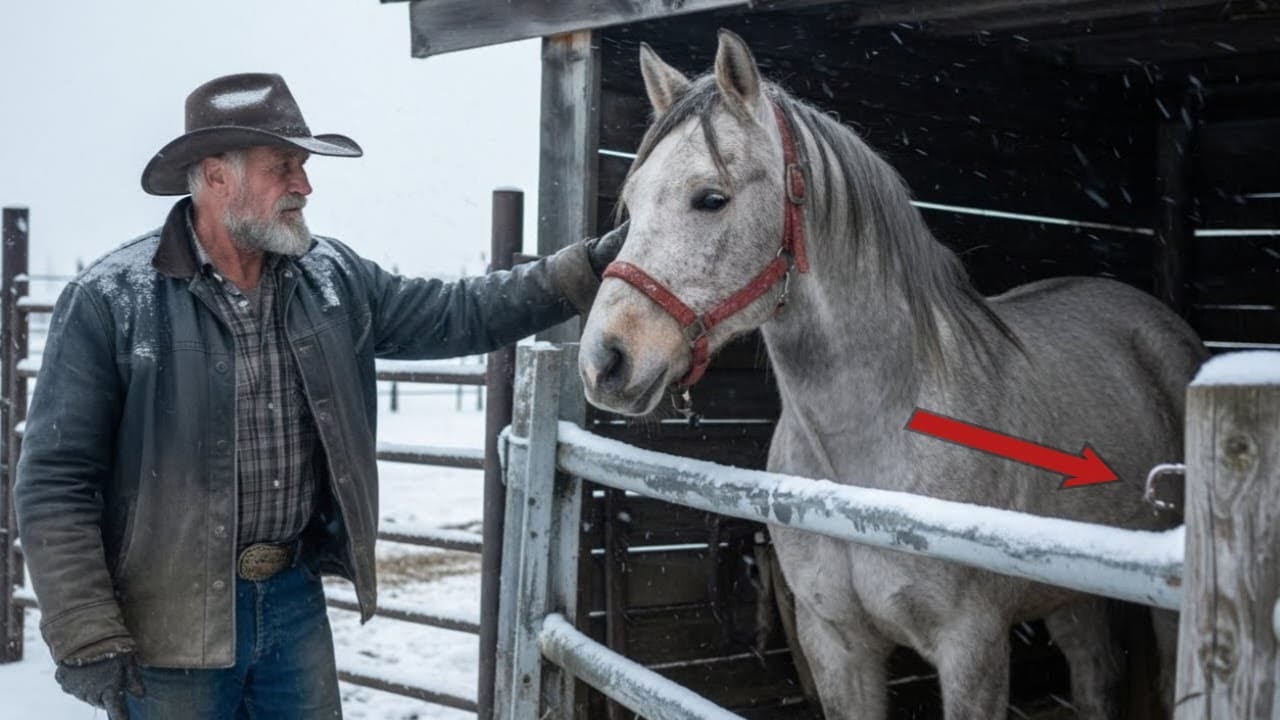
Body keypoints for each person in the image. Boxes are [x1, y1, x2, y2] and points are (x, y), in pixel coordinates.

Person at [14, 72, 625, 719]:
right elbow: (56, 480)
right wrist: (84, 629)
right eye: (285, 167)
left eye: (303, 167)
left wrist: (587, 268)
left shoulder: (330, 277)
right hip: (167, 620)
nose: (305, 186)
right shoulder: (113, 301)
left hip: (290, 599)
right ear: (217, 176)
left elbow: (459, 312)